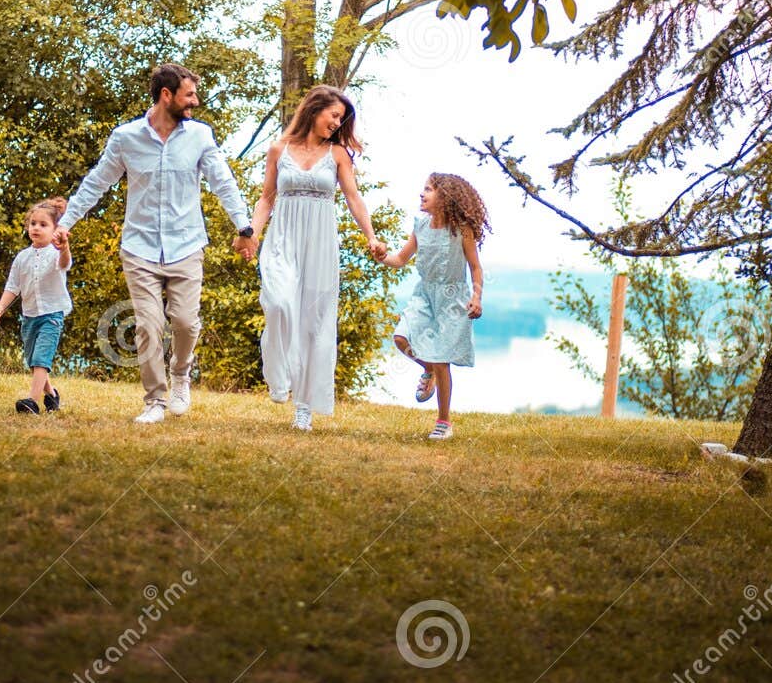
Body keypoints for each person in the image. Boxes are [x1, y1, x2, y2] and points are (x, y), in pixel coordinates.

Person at [56, 63, 255, 424]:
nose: (195, 101)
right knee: (148, 325)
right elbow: (96, 183)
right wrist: (65, 223)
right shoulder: (126, 138)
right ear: (167, 96)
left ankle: (181, 374)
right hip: (140, 247)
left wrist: (244, 226)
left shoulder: (200, 136)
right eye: (189, 94)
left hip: (186, 244)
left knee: (184, 321)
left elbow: (222, 181)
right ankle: (155, 402)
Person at [251, 86, 386, 432]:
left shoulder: (338, 154)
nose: (337, 123)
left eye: (341, 119)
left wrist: (371, 236)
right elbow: (267, 199)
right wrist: (251, 233)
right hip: (283, 238)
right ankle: (279, 378)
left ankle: (304, 406)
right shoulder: (278, 149)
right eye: (334, 115)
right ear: (315, 110)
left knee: (314, 322)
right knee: (279, 304)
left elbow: (354, 199)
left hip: (321, 244)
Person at [379, 173, 489, 440]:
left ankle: (443, 421)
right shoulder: (420, 225)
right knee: (400, 337)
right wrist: (383, 256)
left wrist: (476, 297)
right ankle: (426, 369)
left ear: (445, 197)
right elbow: (401, 258)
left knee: (442, 360)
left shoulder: (462, 229)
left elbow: (475, 267)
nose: (422, 194)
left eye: (428, 189)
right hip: (424, 294)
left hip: (452, 299)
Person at [0, 197, 72, 415]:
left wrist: (64, 248)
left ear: (55, 229)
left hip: (52, 314)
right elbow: (13, 286)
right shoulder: (22, 257)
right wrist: (1, 307)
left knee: (41, 358)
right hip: (29, 316)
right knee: (33, 359)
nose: (36, 228)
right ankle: (52, 396)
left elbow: (64, 264)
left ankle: (32, 402)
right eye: (33, 223)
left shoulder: (56, 254)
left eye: (43, 225)